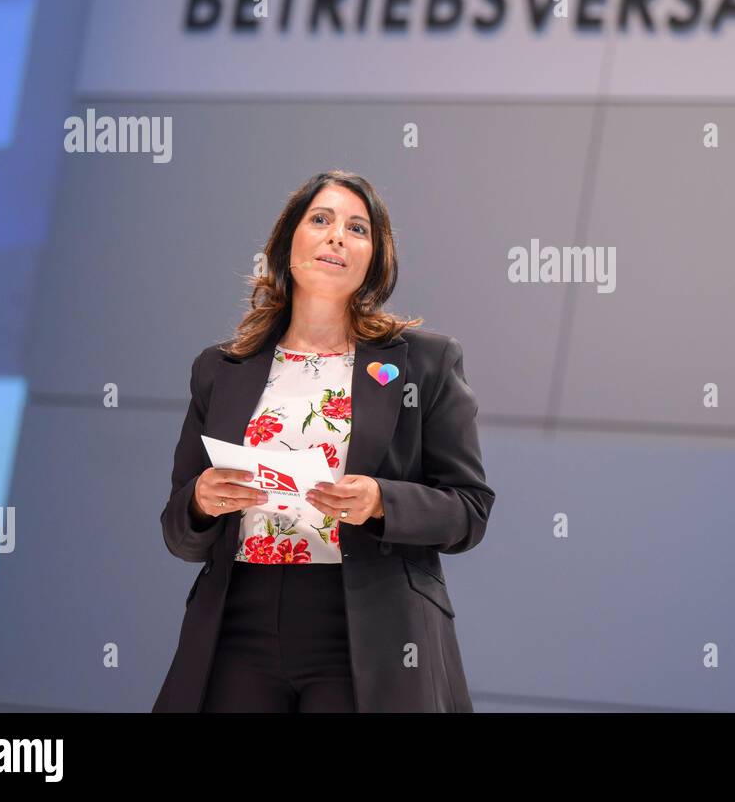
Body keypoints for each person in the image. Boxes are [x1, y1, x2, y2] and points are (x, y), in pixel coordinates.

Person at [153, 170, 494, 712]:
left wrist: (384, 502)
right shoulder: (221, 369)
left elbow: (470, 511)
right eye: (321, 219)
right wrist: (201, 500)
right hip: (238, 621)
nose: (338, 235)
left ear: (374, 260)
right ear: (289, 242)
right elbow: (178, 530)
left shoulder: (425, 362)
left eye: (358, 228)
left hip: (367, 628)